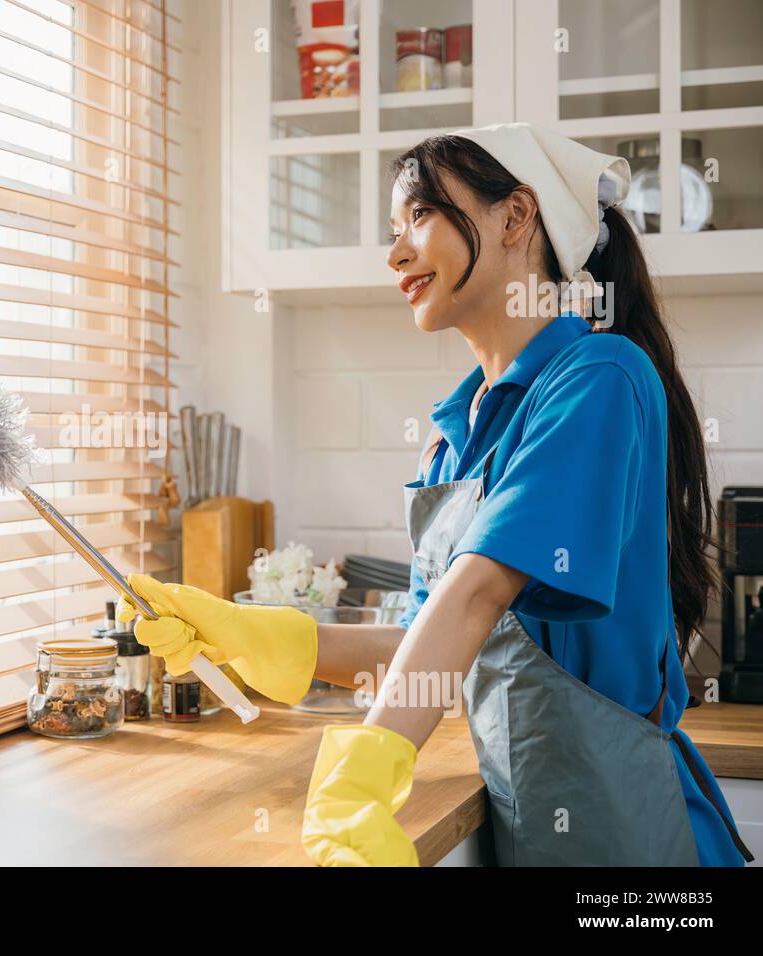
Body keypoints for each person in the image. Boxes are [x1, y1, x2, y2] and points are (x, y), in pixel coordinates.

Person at [116, 122, 754, 868]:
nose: (395, 253)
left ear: (516, 215)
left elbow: (478, 594)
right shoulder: (452, 433)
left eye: (420, 214)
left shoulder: (598, 377)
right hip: (532, 826)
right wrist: (263, 637)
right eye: (395, 228)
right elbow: (433, 644)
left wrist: (362, 779)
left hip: (632, 834)